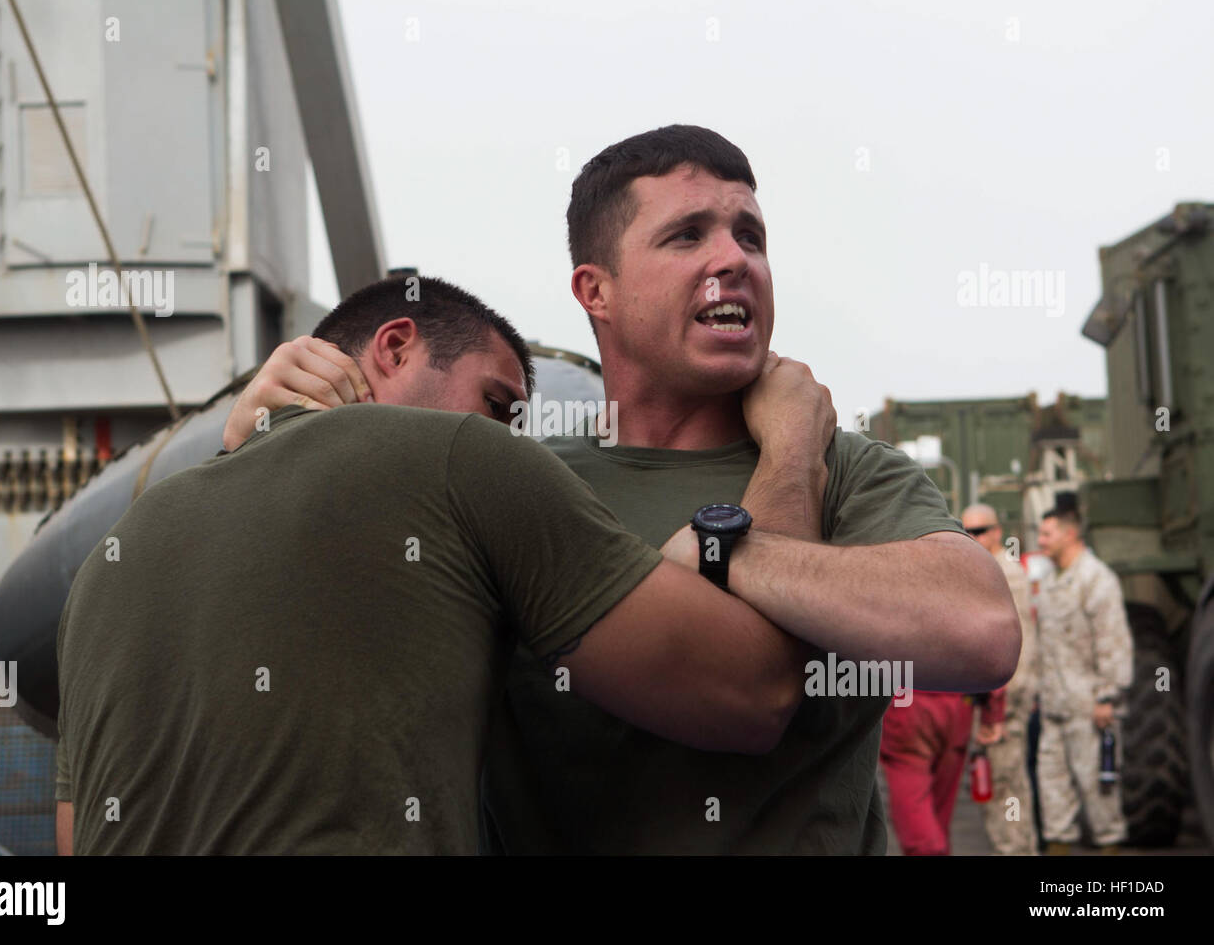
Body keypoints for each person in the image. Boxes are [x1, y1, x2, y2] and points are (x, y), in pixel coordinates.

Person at [224, 125, 1021, 854]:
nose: (733, 258)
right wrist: (256, 462)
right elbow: (306, 655)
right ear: (594, 291)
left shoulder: (845, 469)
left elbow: (982, 630)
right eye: (687, 235)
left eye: (751, 235)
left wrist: (741, 529)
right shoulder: (512, 481)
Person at [53, 277, 809, 855]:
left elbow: (74, 833)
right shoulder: (459, 461)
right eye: (498, 403)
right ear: (395, 346)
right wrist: (792, 449)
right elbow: (756, 691)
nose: (513, 436)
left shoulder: (112, 558)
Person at [1034, 501, 1133, 854]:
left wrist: (1108, 696)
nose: (1040, 539)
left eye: (1047, 532)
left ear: (1070, 533)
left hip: (1090, 707)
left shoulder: (1096, 579)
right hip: (1055, 708)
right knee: (1054, 795)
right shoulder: (1048, 582)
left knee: (1099, 795)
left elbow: (1113, 641)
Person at [960, 503, 1040, 855]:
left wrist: (1002, 709)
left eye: (979, 531)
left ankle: (1017, 850)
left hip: (1004, 703)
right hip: (993, 701)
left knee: (1007, 787)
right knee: (995, 784)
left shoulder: (1006, 575)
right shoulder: (987, 571)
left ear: (996, 532)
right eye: (967, 532)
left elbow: (1015, 648)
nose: (972, 538)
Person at [879, 682, 1003, 855]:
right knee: (938, 814)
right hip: (958, 703)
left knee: (917, 810)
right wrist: (993, 710)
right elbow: (993, 659)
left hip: (907, 703)